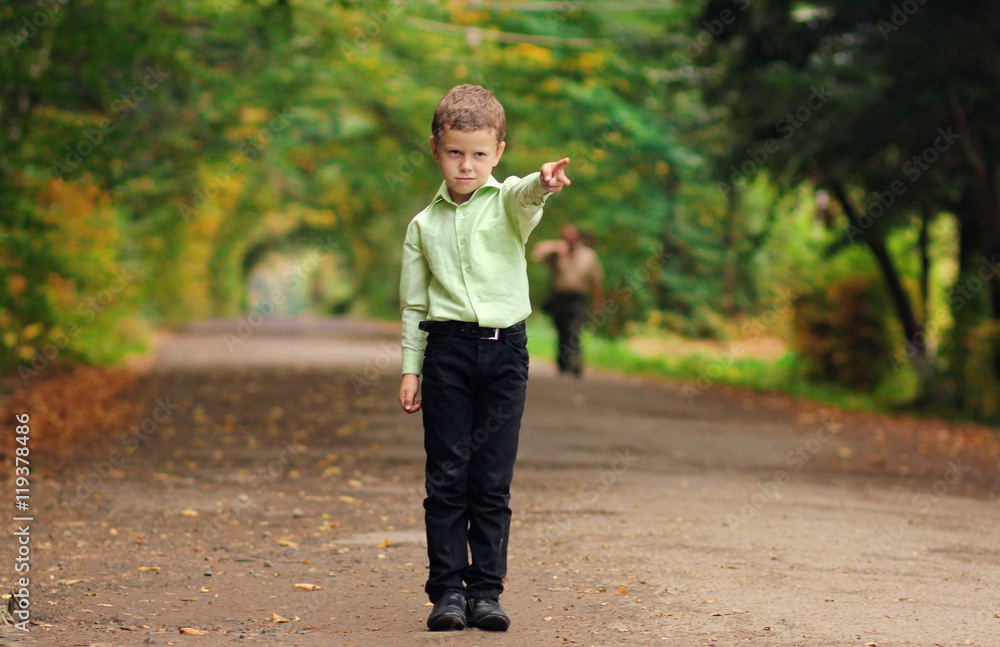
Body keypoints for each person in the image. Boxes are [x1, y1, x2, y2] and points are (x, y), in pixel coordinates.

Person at [397, 84, 571, 632]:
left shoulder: (510, 207)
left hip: (504, 355)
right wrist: (410, 365)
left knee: (491, 480)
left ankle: (487, 592)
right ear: (436, 149)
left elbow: (525, 195)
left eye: (478, 153)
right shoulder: (422, 226)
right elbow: (414, 302)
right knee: (447, 477)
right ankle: (447, 592)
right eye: (455, 152)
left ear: (498, 152)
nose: (466, 165)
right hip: (446, 353)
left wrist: (542, 184)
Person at [532, 224, 604, 377]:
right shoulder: (558, 253)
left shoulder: (588, 256)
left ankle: (575, 362)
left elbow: (596, 282)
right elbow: (537, 254)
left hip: (577, 298)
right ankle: (562, 363)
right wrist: (556, 247)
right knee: (561, 330)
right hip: (559, 298)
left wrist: (598, 304)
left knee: (574, 329)